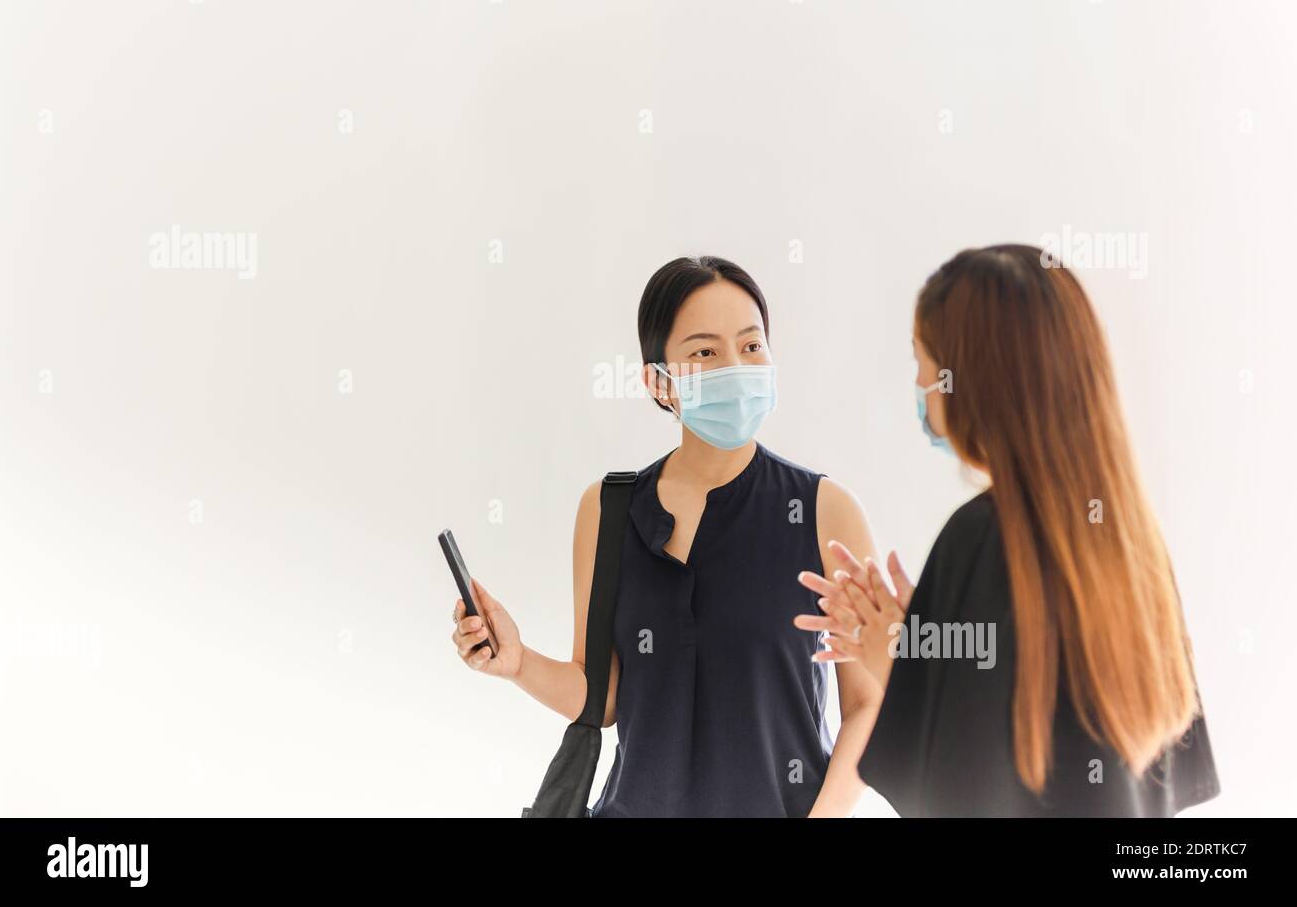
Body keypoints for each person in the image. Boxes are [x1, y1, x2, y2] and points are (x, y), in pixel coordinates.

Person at [796, 244, 1220, 816]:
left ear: (971, 380)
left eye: (922, 360)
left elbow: (957, 791)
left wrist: (908, 659)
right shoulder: (1130, 541)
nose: (920, 383)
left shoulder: (983, 538)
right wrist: (924, 653)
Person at [452, 256, 880, 816]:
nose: (735, 366)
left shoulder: (825, 512)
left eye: (751, 346)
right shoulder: (608, 509)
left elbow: (869, 703)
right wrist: (517, 662)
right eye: (705, 351)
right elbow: (601, 698)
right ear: (658, 380)